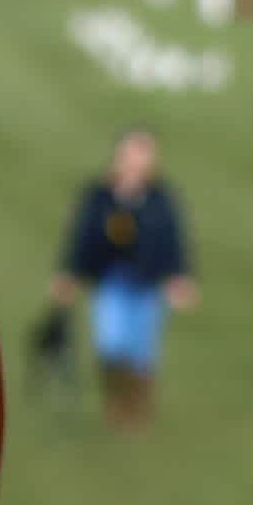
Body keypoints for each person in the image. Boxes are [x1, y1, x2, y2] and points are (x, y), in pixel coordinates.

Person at [52, 127, 197, 431]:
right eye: (130, 153)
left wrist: (179, 277)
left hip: (146, 282)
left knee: (141, 348)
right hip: (111, 280)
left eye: (142, 154)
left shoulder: (160, 198)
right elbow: (82, 236)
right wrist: (70, 274)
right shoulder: (100, 195)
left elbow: (174, 239)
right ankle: (115, 399)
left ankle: (135, 405)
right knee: (111, 343)